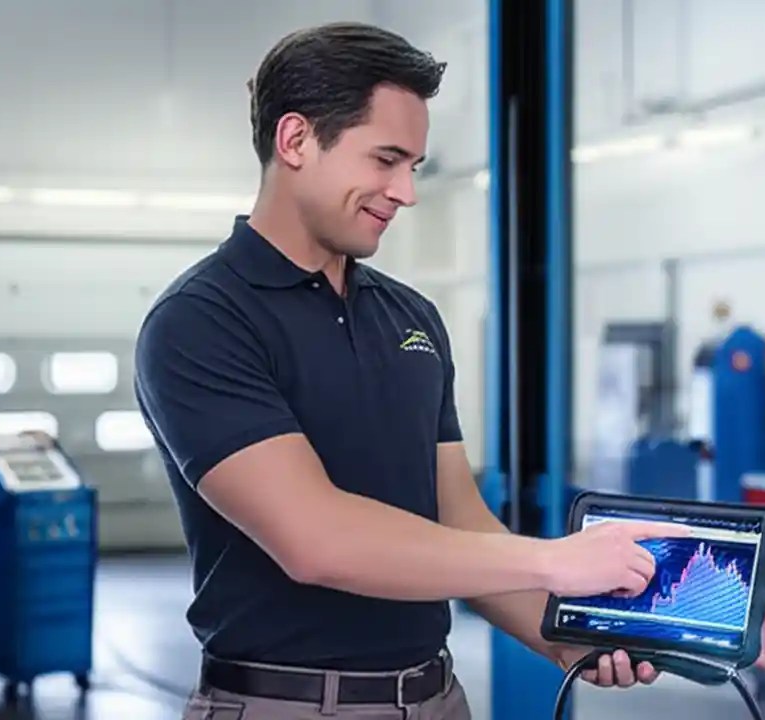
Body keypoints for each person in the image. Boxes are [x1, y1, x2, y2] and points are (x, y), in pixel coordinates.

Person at [134, 21, 687, 720]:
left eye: (415, 166)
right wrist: (553, 559)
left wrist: (563, 642)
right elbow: (317, 540)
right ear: (296, 140)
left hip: (436, 698)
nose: (406, 191)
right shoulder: (202, 321)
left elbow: (460, 520)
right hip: (287, 706)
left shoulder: (411, 317)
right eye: (386, 159)